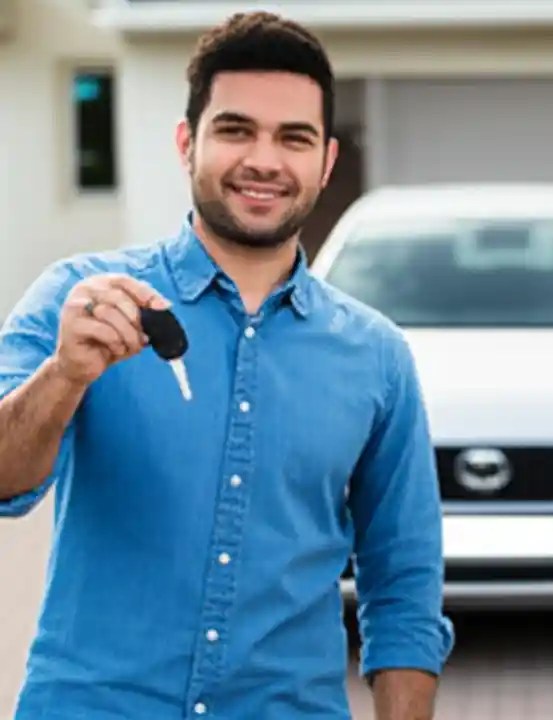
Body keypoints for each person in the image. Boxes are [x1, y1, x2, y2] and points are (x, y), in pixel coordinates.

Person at [0, 12, 453, 719]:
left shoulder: (377, 357)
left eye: (293, 138)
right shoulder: (78, 300)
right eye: (236, 130)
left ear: (326, 161)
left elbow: (404, 588)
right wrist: (65, 376)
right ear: (188, 143)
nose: (264, 161)